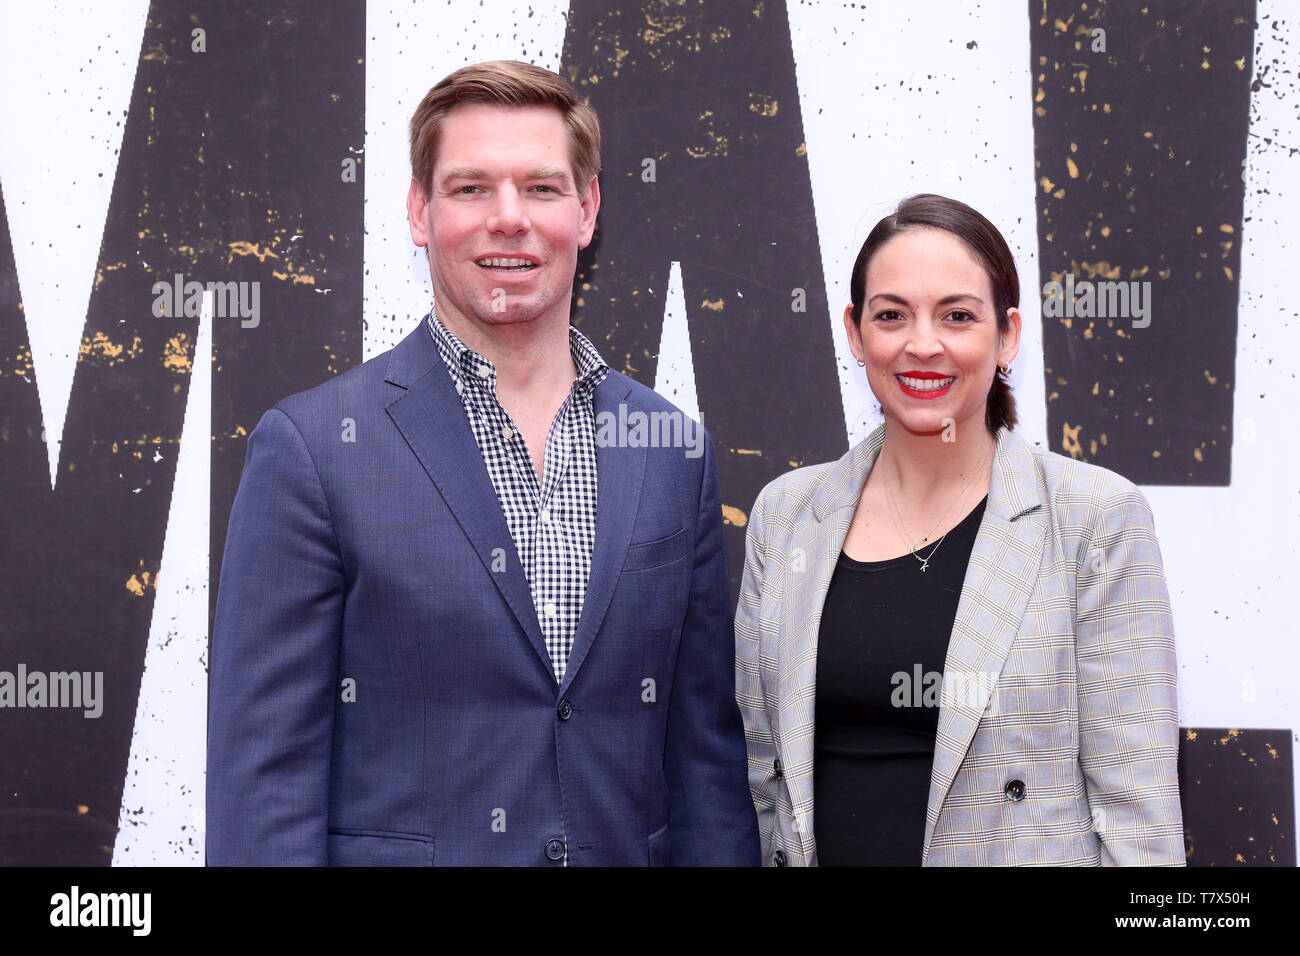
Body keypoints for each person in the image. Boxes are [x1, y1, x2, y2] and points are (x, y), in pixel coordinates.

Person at [206, 60, 758, 866]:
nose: (509, 219)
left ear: (588, 208)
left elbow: (704, 768)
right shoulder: (314, 450)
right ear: (419, 212)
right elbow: (264, 787)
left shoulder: (670, 448)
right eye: (470, 189)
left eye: (540, 188)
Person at [734, 194, 1184, 866]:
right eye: (892, 315)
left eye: (957, 316)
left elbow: (1139, 817)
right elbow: (766, 777)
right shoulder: (786, 515)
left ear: (1007, 335)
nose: (923, 343)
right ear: (855, 332)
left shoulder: (1095, 518)